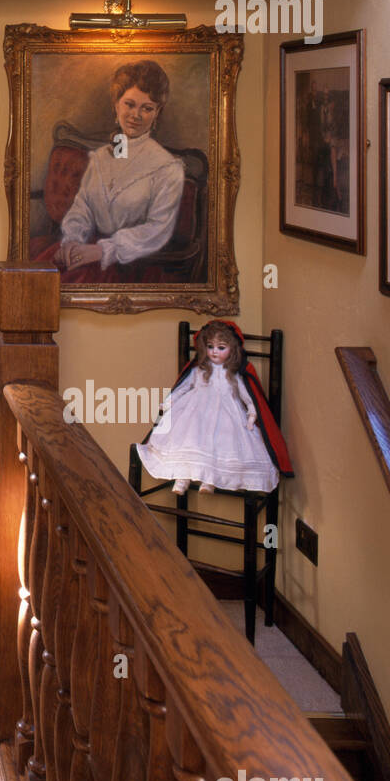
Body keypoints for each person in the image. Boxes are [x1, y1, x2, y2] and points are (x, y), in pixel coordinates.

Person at [50, 60, 185, 280]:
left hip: (133, 264)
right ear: (116, 105)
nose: (136, 115)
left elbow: (157, 229)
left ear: (157, 113)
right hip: (86, 253)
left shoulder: (168, 168)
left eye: (147, 108)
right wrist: (73, 241)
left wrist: (103, 250)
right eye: (129, 104)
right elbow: (83, 206)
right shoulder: (103, 156)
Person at [135, 321, 291, 495]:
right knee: (188, 440)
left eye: (221, 347)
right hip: (194, 413)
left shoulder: (233, 374)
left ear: (232, 349)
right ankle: (182, 478)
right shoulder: (199, 370)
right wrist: (169, 402)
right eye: (210, 346)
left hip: (226, 414)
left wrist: (252, 413)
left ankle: (209, 480)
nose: (214, 351)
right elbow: (183, 387)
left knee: (220, 444)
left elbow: (248, 396)